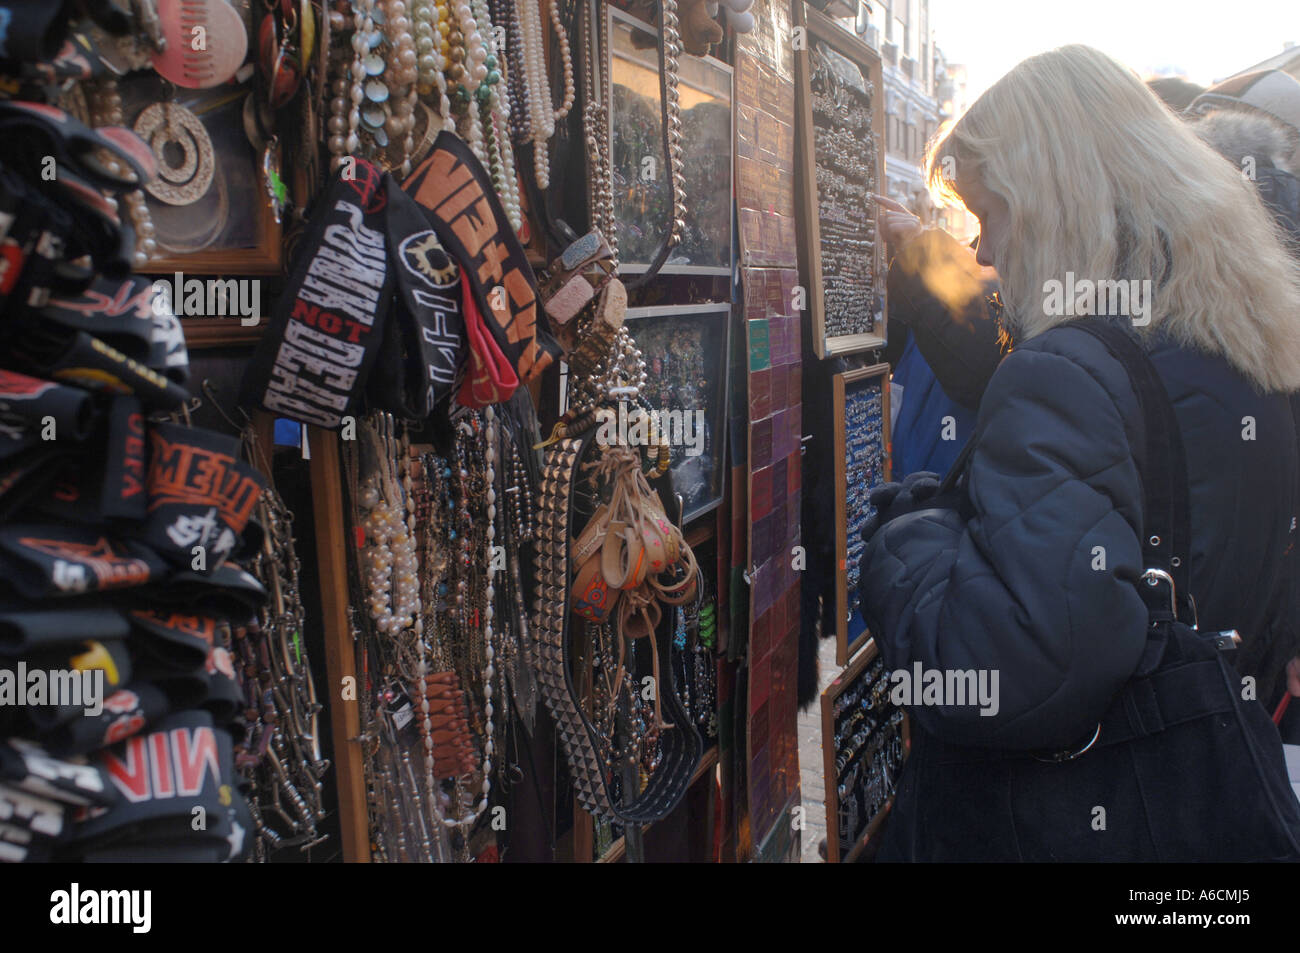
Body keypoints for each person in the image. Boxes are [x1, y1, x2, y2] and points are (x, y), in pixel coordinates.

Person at [858, 44, 1300, 861]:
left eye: (989, 213)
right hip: (1203, 805)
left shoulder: (1068, 373)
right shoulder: (1251, 347)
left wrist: (904, 534)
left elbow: (1013, 670)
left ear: (1054, 200)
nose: (983, 253)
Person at [875, 194, 1003, 477]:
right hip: (913, 475)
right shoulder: (955, 269)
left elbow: (975, 372)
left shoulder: (1007, 300)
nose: (983, 252)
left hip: (943, 482)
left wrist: (921, 249)